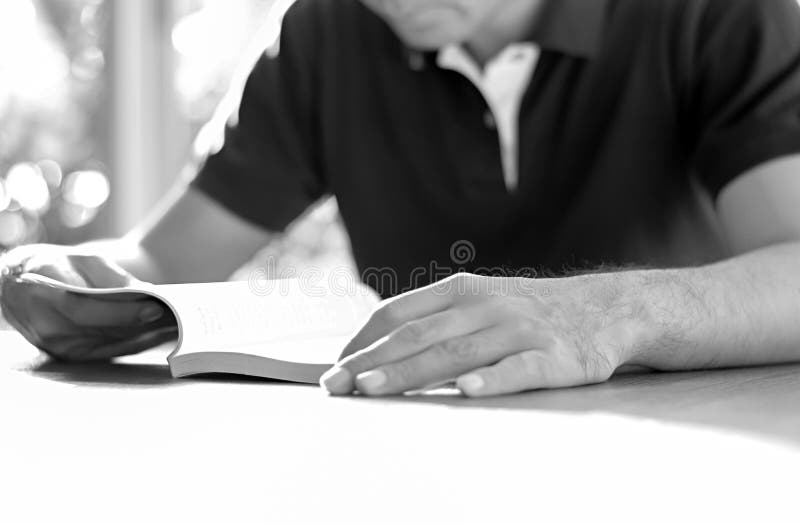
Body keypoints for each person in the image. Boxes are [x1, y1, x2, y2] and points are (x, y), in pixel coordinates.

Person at [3, 0, 800, 398]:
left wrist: (603, 315)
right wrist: (64, 276)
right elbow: (162, 259)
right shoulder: (329, 33)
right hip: (414, 450)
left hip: (685, 443)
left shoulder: (713, 14)